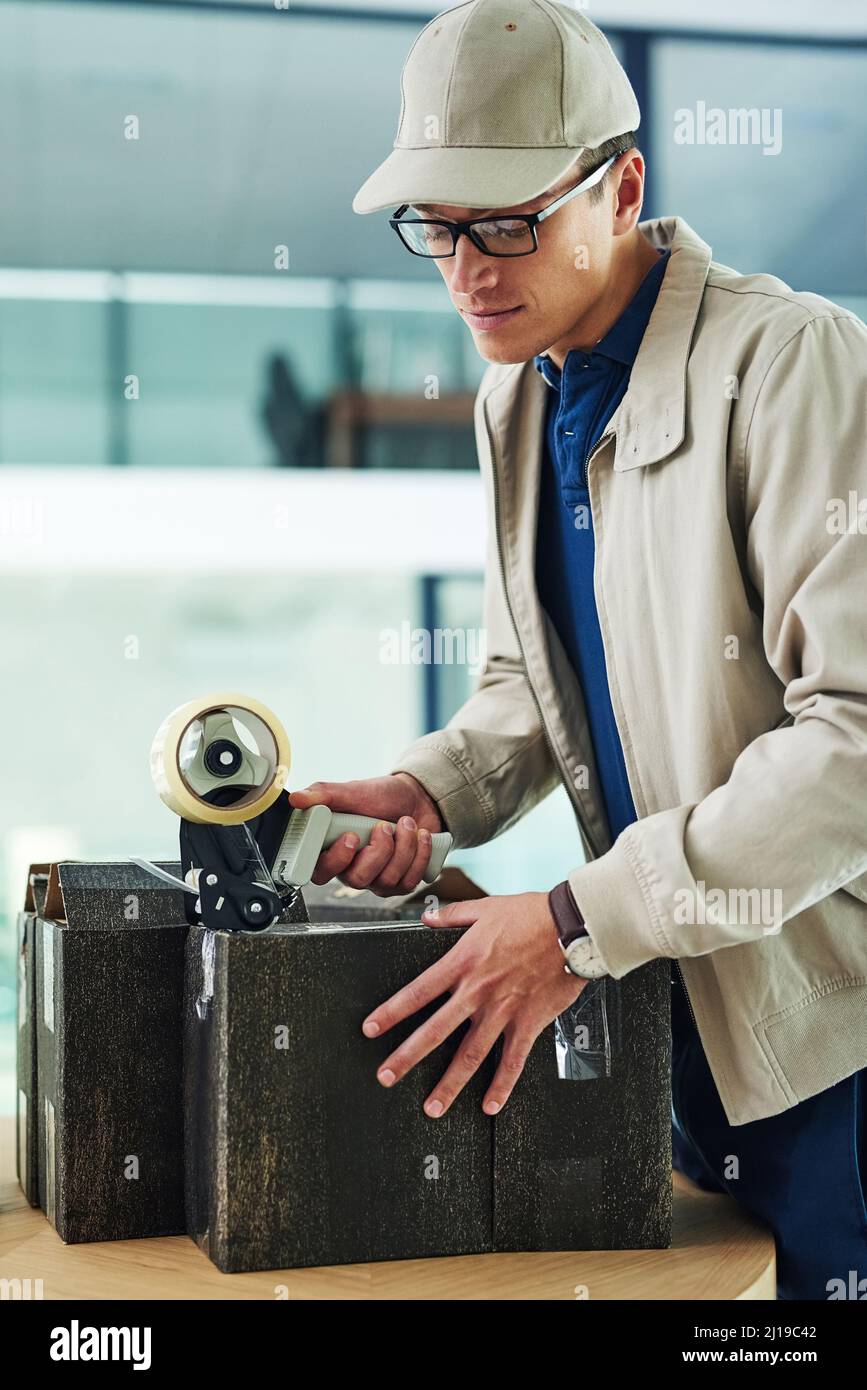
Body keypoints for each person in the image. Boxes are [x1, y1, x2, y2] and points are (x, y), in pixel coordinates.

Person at [292, 0, 867, 1299]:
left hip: (836, 1039)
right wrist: (432, 789)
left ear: (625, 187)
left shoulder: (793, 369)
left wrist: (568, 925)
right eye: (436, 226)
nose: (466, 269)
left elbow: (857, 746)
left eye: (508, 222)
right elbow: (533, 678)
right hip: (689, 1028)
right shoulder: (525, 392)